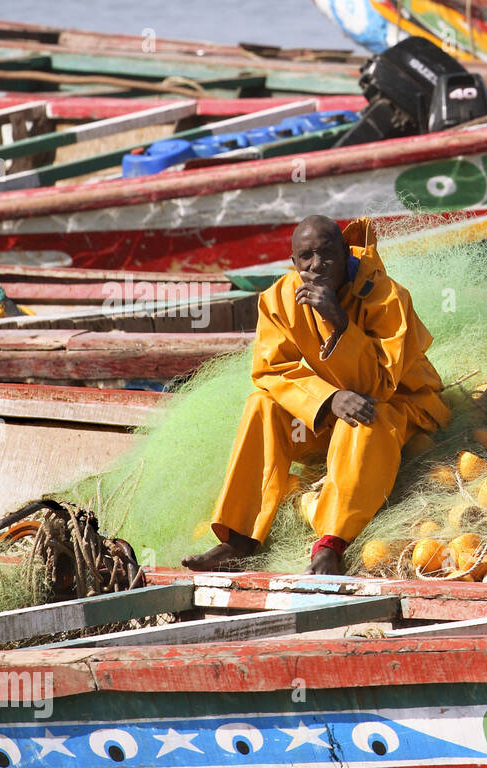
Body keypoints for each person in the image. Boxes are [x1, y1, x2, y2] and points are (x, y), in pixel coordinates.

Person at [183, 215, 449, 575]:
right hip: (326, 420)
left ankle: (332, 542)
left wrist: (340, 322)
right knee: (261, 404)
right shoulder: (277, 299)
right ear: (293, 263)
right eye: (306, 257)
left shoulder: (387, 297)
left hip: (404, 411)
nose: (317, 265)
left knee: (366, 413)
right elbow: (271, 370)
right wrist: (327, 400)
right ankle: (240, 538)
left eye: (327, 254)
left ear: (345, 253)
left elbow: (380, 386)